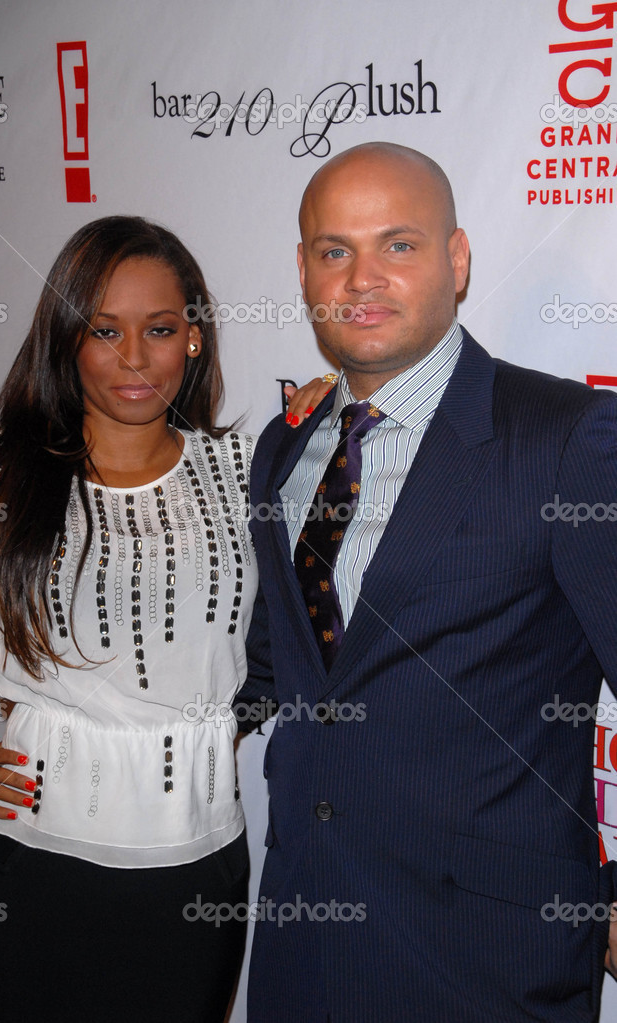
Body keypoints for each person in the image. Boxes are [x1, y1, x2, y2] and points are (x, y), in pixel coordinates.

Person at [237, 142, 617, 1022]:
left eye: (397, 245)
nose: (361, 278)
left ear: (456, 259)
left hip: (487, 961)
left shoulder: (569, 438)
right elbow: (274, 668)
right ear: (302, 271)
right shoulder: (282, 447)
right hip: (301, 942)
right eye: (334, 250)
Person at [0, 215, 323, 1023]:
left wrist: (336, 409)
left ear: (194, 338)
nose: (135, 358)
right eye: (105, 330)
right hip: (30, 869)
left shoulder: (247, 470)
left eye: (160, 328)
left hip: (198, 864)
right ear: (66, 337)